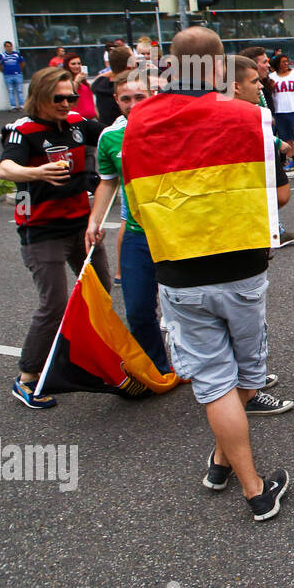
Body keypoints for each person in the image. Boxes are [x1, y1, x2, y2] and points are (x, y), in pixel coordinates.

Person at [122, 27, 294, 520]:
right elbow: (276, 198)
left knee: (215, 380)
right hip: (242, 265)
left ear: (174, 66)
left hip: (177, 268)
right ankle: (255, 488)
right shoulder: (252, 117)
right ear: (219, 67)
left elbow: (135, 202)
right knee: (244, 377)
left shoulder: (139, 121)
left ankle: (224, 460)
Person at [0, 67, 112, 408]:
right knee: (55, 305)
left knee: (99, 293)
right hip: (41, 231)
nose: (66, 104)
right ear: (39, 96)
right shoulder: (22, 130)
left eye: (71, 97)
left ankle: (87, 359)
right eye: (58, 98)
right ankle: (27, 378)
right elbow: (6, 169)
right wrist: (35, 172)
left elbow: (111, 136)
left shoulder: (78, 123)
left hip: (81, 226)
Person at [82, 68, 174, 375]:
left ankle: (194, 365)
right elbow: (107, 182)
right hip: (137, 233)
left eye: (140, 97)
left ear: (152, 96)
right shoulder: (110, 137)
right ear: (117, 101)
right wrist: (95, 221)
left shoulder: (171, 127)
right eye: (126, 98)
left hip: (177, 231)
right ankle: (156, 368)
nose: (133, 103)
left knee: (187, 308)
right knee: (137, 309)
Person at [62, 52, 96, 120]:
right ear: (67, 65)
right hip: (76, 119)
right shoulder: (66, 81)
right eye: (73, 64)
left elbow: (91, 102)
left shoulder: (84, 82)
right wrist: (77, 80)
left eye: (79, 63)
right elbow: (70, 94)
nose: (77, 66)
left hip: (91, 119)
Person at [0, 40, 27, 110]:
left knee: (19, 90)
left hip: (18, 75)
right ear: (5, 47)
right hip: (8, 76)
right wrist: (4, 71)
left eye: (10, 46)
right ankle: (13, 106)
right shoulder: (2, 55)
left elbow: (22, 63)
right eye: (7, 46)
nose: (9, 48)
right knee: (10, 91)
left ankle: (21, 105)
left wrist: (19, 70)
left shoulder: (17, 54)